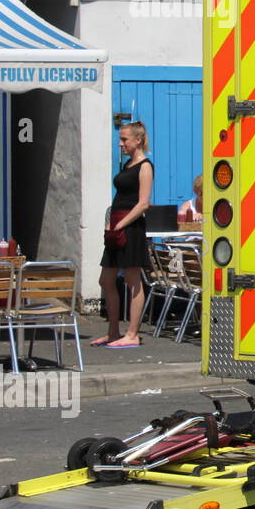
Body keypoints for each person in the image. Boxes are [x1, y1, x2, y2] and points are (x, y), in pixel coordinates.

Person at [92, 121, 154, 348]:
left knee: (132, 279)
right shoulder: (128, 164)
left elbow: (143, 203)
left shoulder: (145, 166)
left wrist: (121, 225)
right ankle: (113, 331)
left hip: (131, 227)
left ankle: (132, 334)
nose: (121, 143)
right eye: (121, 139)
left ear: (138, 140)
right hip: (116, 225)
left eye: (124, 139)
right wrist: (111, 222)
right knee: (106, 279)